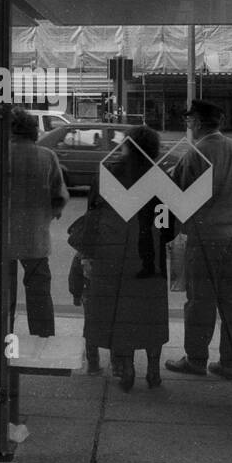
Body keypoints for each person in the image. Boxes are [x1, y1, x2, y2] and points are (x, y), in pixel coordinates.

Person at [166, 99, 232, 380]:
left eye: (189, 121)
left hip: (205, 237)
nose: (188, 126)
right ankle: (230, 362)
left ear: (198, 123)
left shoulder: (195, 154)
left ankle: (196, 359)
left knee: (200, 300)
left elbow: (177, 195)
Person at [80, 125, 169, 391]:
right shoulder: (161, 175)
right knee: (151, 313)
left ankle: (127, 369)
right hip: (149, 255)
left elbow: (92, 217)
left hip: (113, 252)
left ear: (128, 145)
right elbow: (169, 222)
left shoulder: (109, 172)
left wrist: (87, 253)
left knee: (122, 314)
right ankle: (153, 371)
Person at [0, 107, 68, 337]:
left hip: (0, 237)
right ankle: (42, 338)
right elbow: (60, 196)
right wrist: (48, 215)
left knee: (4, 295)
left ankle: (5, 341)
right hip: (35, 237)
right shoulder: (47, 156)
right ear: (33, 131)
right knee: (39, 291)